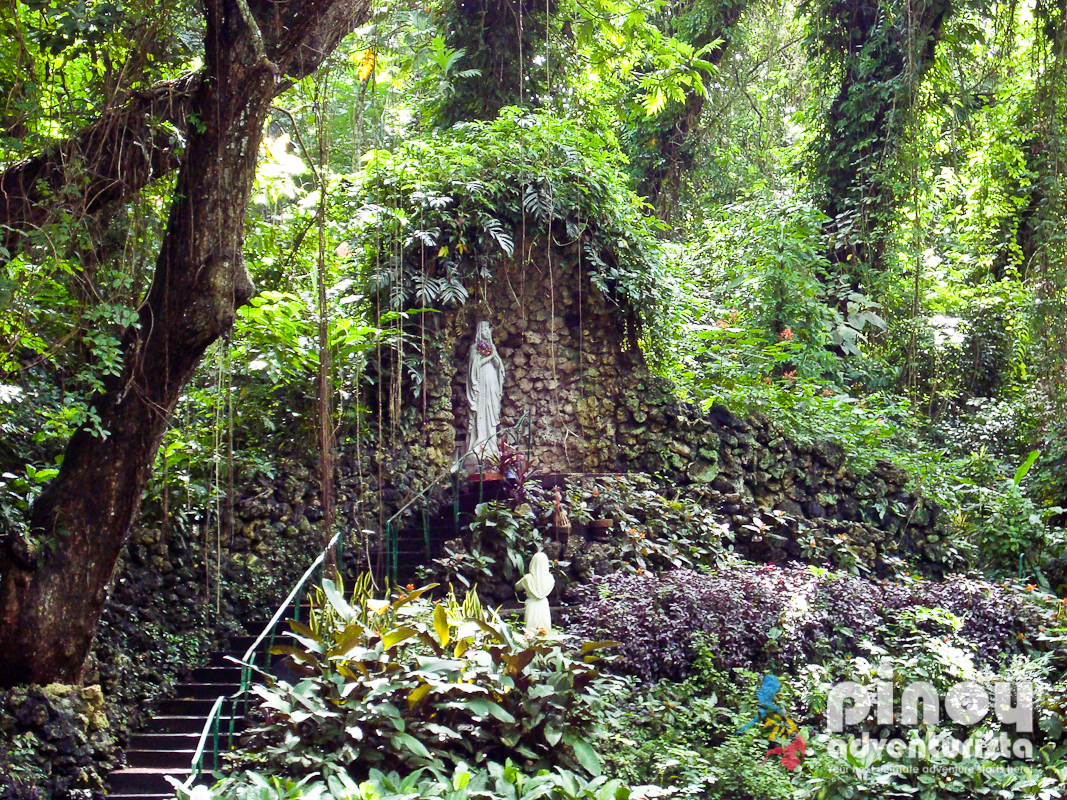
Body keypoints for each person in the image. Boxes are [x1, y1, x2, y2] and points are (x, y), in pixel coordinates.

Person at [466, 320, 505, 462]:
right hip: (481, 384)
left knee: (491, 412)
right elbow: (474, 367)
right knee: (482, 412)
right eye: (485, 329)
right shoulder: (474, 348)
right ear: (479, 331)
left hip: (492, 383)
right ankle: (480, 443)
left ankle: (491, 445)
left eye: (489, 329)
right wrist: (490, 356)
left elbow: (499, 366)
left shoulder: (492, 347)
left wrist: (494, 357)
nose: (488, 332)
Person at [515, 551, 555, 634]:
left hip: (531, 606)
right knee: (545, 633)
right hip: (544, 606)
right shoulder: (550, 578)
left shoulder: (527, 579)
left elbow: (517, 587)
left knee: (530, 632)